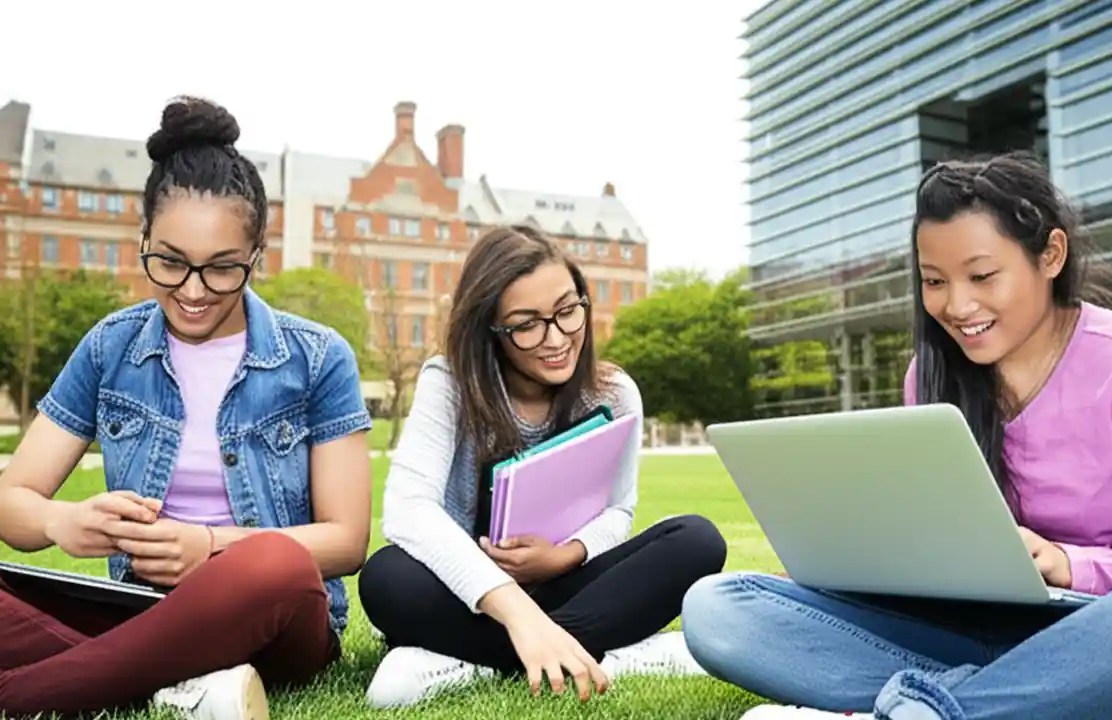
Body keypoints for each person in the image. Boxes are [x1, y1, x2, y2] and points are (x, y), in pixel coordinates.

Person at [681, 151, 1112, 720]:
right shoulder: (931, 375)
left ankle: (941, 705)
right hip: (969, 633)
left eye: (982, 275)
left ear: (1050, 255)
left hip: (1110, 640)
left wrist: (1067, 564)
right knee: (717, 607)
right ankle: (1006, 703)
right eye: (935, 281)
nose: (957, 305)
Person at [0, 96, 373, 719]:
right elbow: (12, 502)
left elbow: (346, 541)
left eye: (223, 269)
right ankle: (181, 687)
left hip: (277, 620)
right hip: (144, 612)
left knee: (276, 562)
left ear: (257, 258)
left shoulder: (316, 357)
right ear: (143, 238)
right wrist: (60, 524)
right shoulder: (110, 347)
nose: (193, 291)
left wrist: (209, 546)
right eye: (169, 262)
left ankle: (26, 694)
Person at [358, 224, 727, 708]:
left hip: (565, 581)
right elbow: (408, 510)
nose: (556, 338)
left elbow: (620, 511)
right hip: (470, 592)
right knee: (386, 578)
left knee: (697, 541)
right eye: (527, 324)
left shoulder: (614, 394)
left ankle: (464, 664)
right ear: (489, 329)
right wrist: (515, 610)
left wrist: (564, 555)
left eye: (568, 311)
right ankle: (612, 651)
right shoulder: (449, 382)